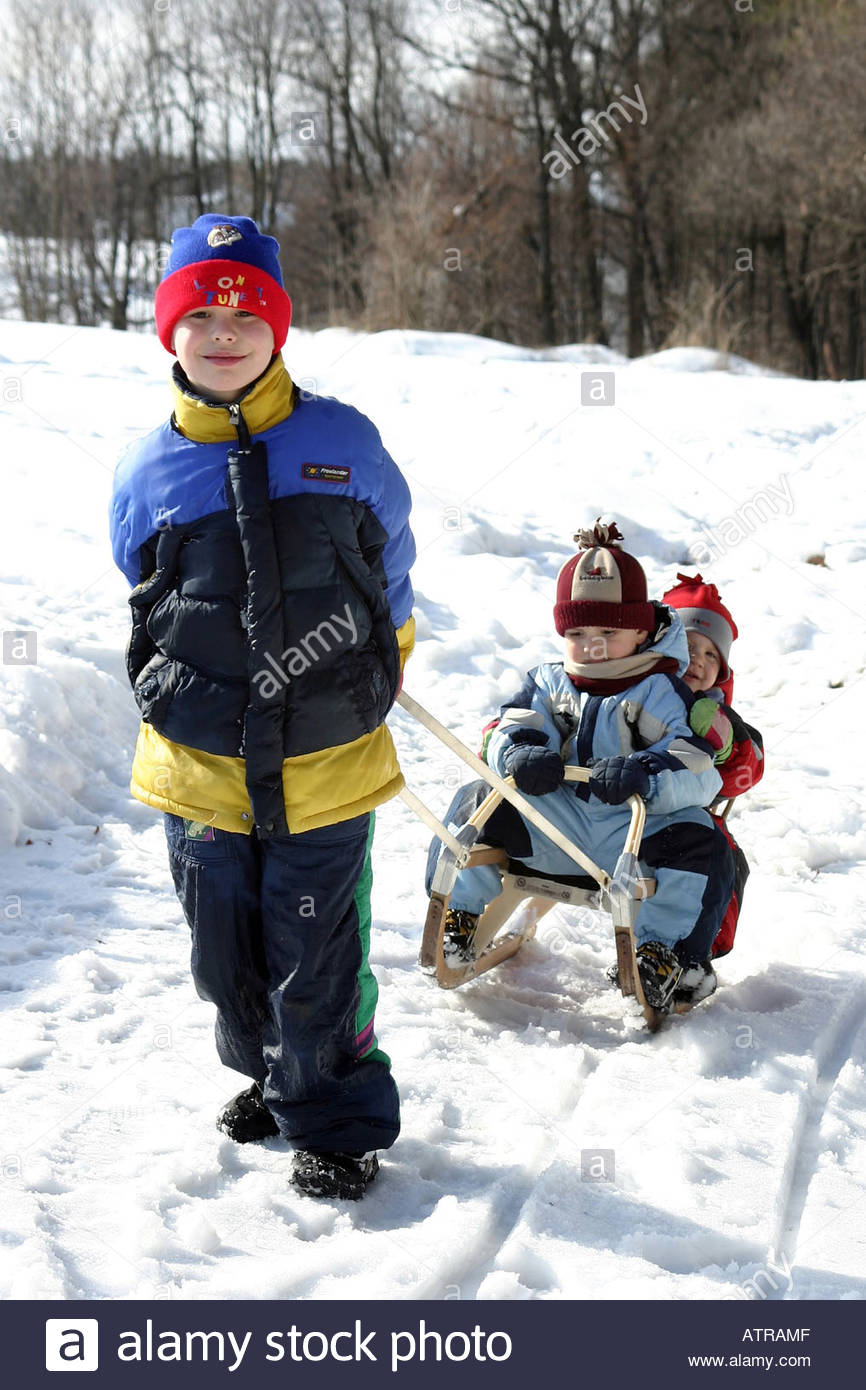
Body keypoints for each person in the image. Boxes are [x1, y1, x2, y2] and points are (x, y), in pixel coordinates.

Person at [109, 214, 416, 1200]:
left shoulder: (340, 441)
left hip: (325, 756)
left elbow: (392, 566)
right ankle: (275, 1073)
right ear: (171, 331)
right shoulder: (147, 470)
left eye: (245, 310)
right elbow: (141, 585)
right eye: (200, 311)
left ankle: (333, 1113)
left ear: (277, 326)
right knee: (224, 952)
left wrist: (381, 666)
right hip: (200, 763)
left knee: (315, 949)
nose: (223, 330)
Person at [428, 521, 734, 1013]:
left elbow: (696, 762)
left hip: (629, 843)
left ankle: (661, 951)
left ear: (640, 631)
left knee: (704, 841)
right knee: (475, 800)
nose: (591, 645)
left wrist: (644, 773)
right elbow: (512, 725)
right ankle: (456, 915)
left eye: (608, 632)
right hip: (550, 830)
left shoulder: (658, 690)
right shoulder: (549, 683)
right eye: (576, 632)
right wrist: (520, 753)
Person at [662, 573, 764, 957]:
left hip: (682, 817)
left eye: (711, 655)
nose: (699, 663)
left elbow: (745, 771)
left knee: (723, 857)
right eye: (689, 648)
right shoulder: (634, 696)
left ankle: (693, 952)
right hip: (616, 805)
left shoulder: (717, 716)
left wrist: (727, 743)